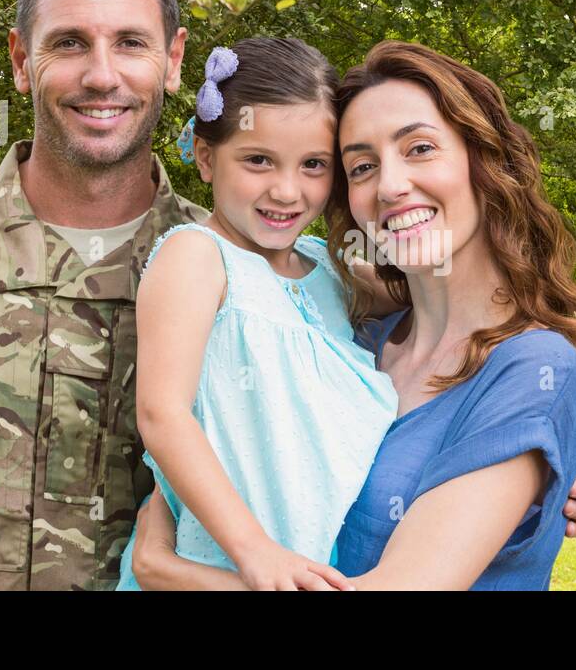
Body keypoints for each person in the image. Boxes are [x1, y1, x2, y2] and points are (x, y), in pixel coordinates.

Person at [0, 0, 576, 591]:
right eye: (68, 43)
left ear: (174, 61)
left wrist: (542, 471)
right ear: (20, 61)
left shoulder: (268, 275)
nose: (101, 74)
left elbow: (408, 410)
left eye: (129, 42)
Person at [129, 40, 576, 590]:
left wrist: (170, 572)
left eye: (420, 148)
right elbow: (212, 415)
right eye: (362, 166)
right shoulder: (357, 339)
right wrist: (171, 512)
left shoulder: (532, 370)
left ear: (484, 159)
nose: (392, 185)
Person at [116, 37, 398, 591]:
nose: (287, 190)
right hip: (220, 564)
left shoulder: (328, 269)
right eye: (258, 159)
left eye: (313, 164)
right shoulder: (197, 256)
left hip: (310, 563)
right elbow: (162, 414)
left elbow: (447, 312)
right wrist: (256, 551)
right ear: (204, 157)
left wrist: (544, 427)